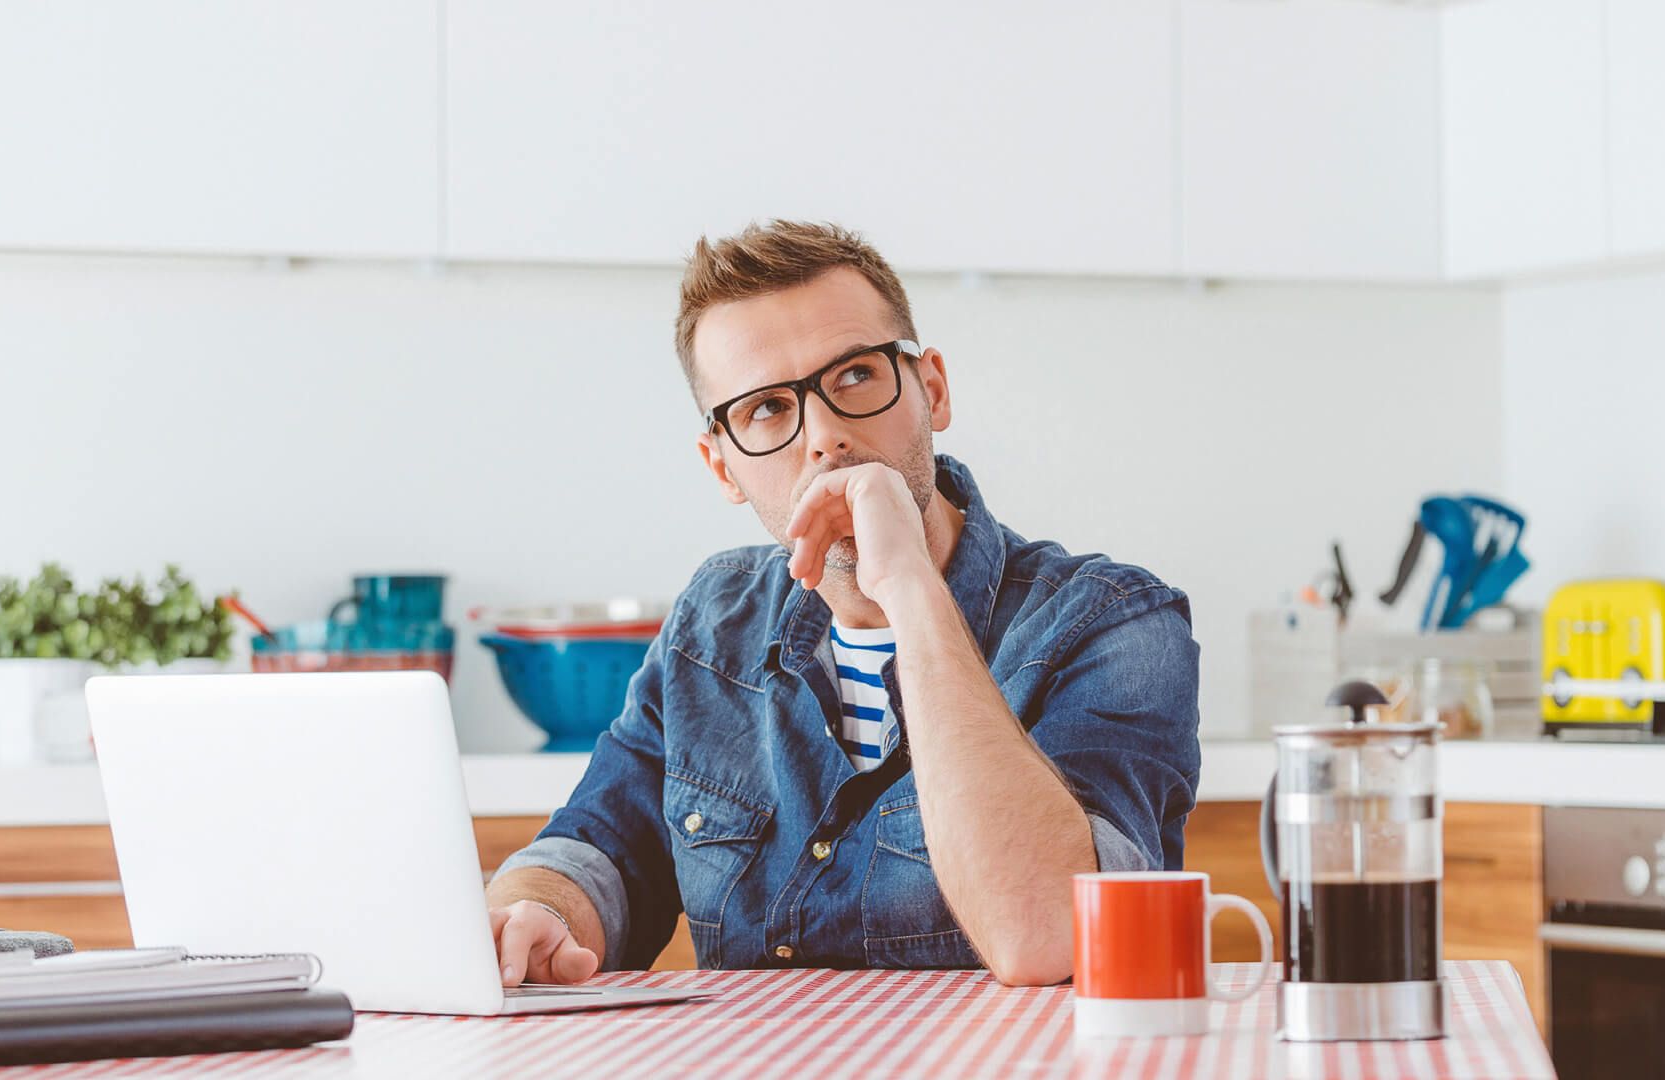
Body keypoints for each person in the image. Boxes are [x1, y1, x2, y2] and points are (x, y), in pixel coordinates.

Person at [486, 220, 1199, 987]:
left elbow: (1050, 934)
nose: (824, 437)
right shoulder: (713, 622)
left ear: (931, 389)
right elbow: (601, 846)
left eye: (855, 375)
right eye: (766, 409)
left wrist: (910, 589)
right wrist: (535, 912)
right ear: (721, 466)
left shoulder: (1116, 624)